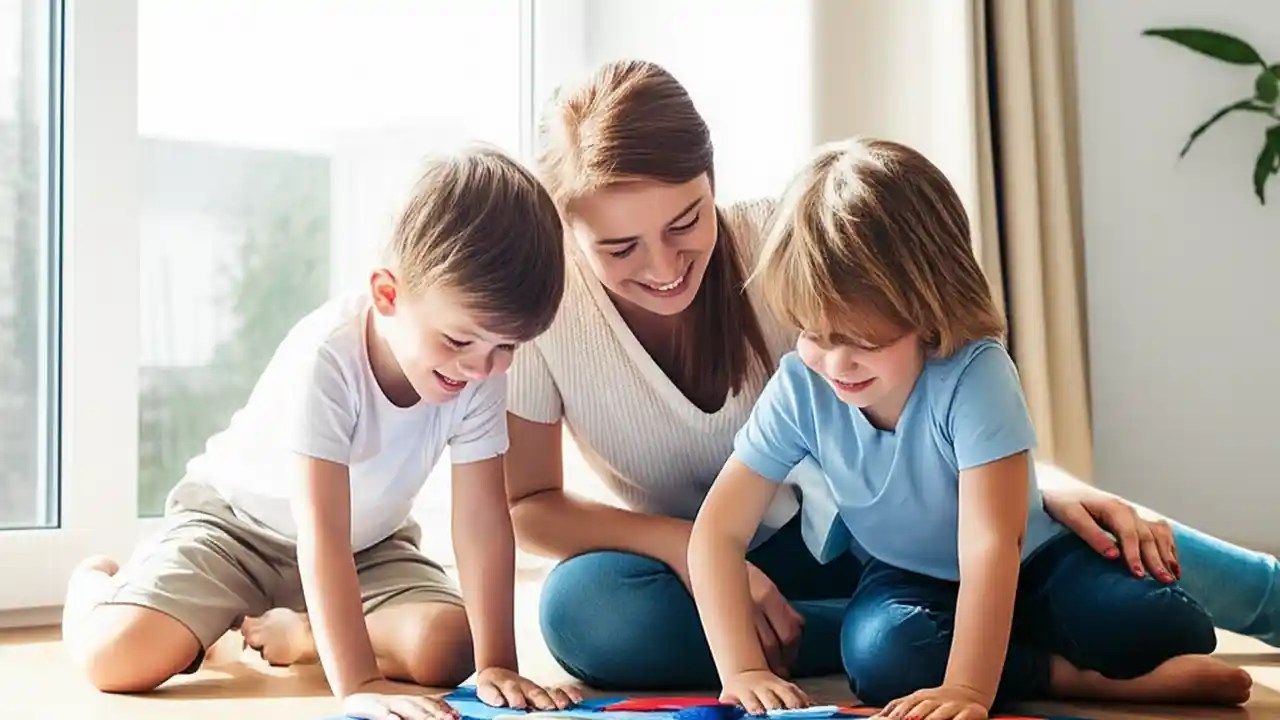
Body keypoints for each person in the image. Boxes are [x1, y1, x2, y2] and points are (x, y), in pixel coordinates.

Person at [504, 58, 1280, 690]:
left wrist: (1037, 483)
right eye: (619, 249)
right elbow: (533, 505)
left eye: (685, 222)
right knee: (585, 612)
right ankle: (975, 644)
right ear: (569, 229)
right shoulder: (546, 314)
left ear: (711, 179)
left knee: (1071, 535)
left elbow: (942, 379)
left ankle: (1245, 595)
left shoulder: (786, 247)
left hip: (873, 517)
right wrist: (689, 552)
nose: (666, 267)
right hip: (773, 550)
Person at [687, 138, 1251, 718]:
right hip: (908, 578)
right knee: (882, 657)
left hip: (1033, 564)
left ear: (929, 311)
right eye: (813, 334)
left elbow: (990, 545)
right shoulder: (799, 388)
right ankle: (1080, 678)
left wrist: (968, 691)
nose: (835, 364)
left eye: (864, 342)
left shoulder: (973, 373)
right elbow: (717, 533)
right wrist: (743, 669)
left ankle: (1049, 659)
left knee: (1158, 624)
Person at [61, 148, 581, 720]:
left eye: (506, 346)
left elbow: (482, 520)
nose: (484, 368)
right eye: (460, 342)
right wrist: (359, 680)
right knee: (118, 658)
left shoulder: (479, 367)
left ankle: (303, 633)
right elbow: (321, 531)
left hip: (370, 546)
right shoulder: (328, 358)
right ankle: (98, 585)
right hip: (236, 530)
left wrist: (497, 664)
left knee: (450, 646)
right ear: (388, 294)